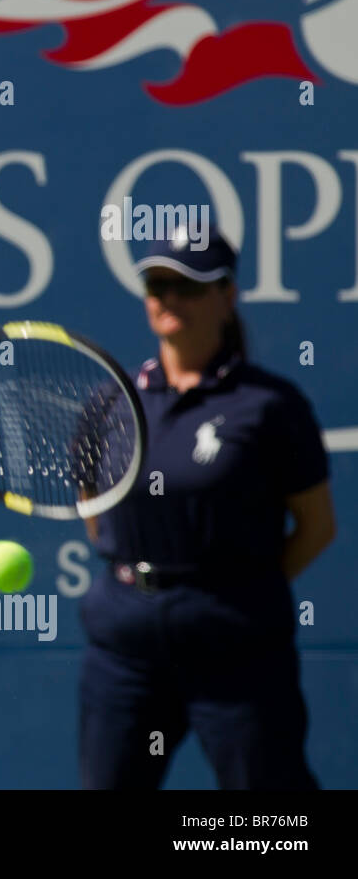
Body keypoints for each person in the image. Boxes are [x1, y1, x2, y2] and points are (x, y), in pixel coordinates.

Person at [79, 225, 336, 789]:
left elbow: (317, 527)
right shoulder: (111, 402)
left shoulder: (270, 406)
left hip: (235, 645)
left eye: (188, 287)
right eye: (157, 284)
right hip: (126, 647)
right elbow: (92, 505)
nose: (169, 299)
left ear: (227, 295)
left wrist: (233, 590)